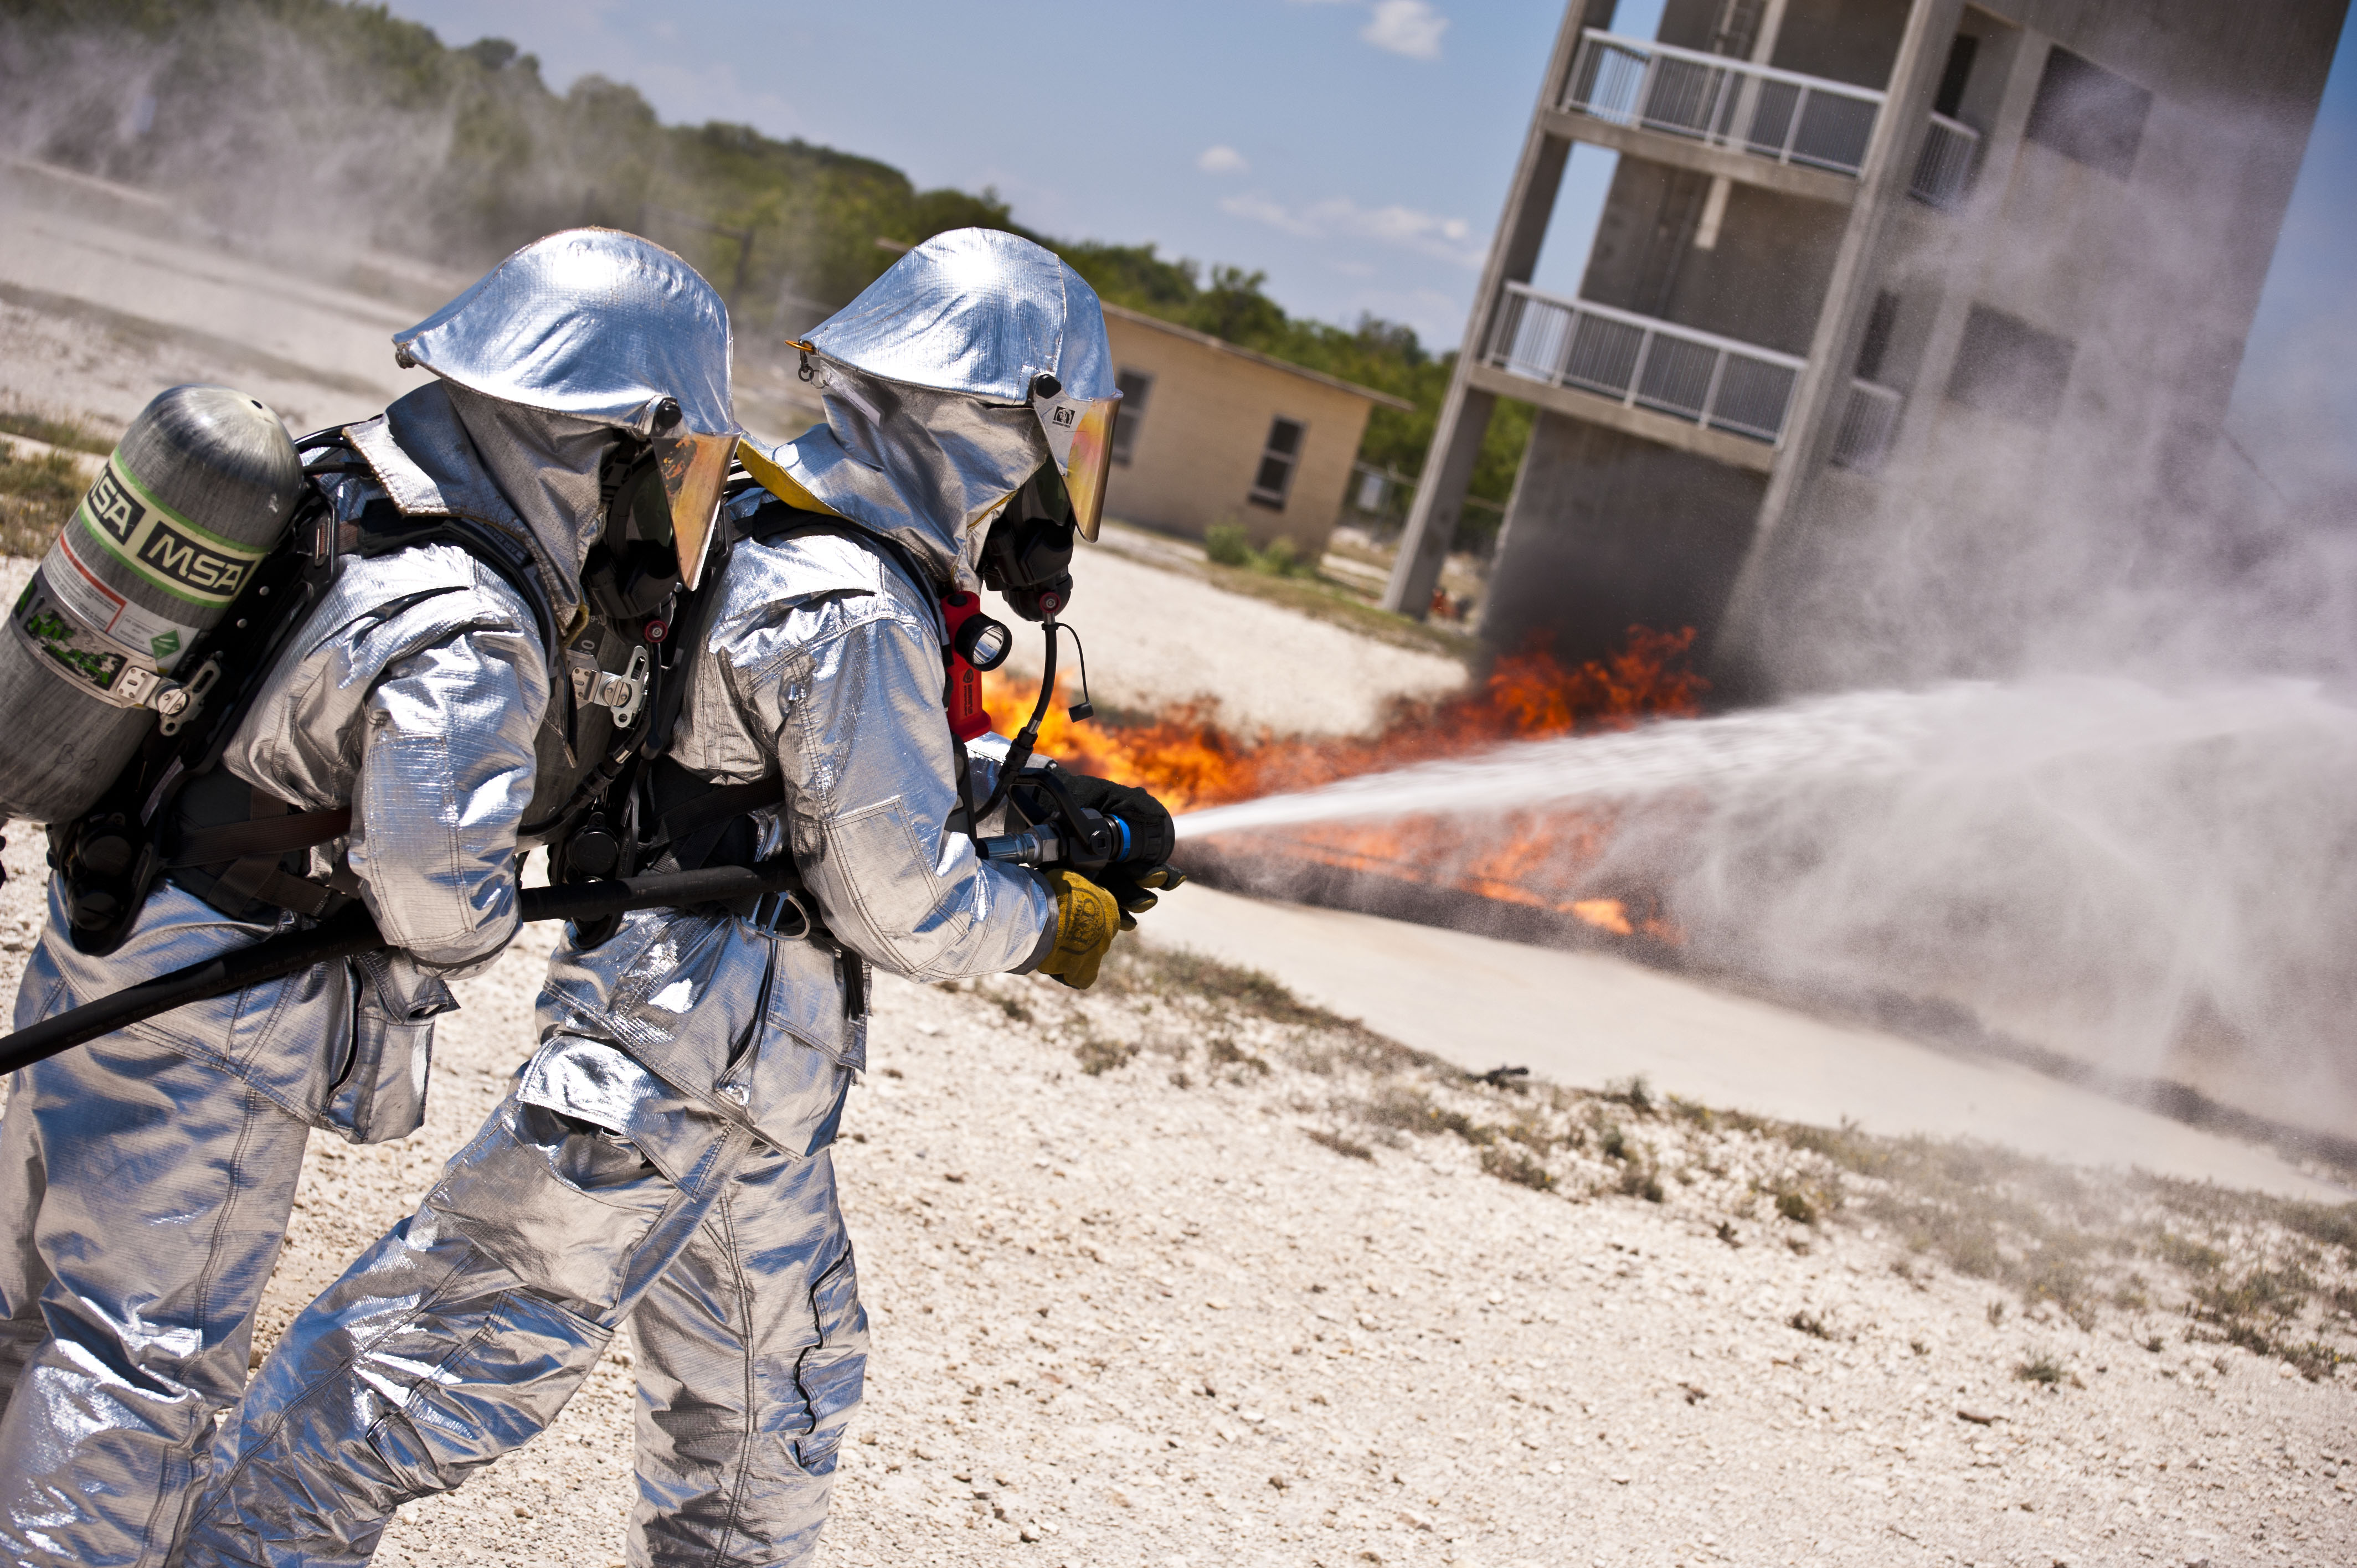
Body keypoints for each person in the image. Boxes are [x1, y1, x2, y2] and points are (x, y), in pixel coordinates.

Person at [178, 229, 1179, 1567]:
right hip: (673, 1070)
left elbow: (797, 776)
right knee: (431, 1369)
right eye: (1067, 440)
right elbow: (904, 900)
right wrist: (1056, 917)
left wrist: (1024, 794)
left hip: (749, 1086)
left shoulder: (779, 528)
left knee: (774, 1407)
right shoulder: (849, 598)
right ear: (1003, 428)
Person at [0, 228, 740, 1568]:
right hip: (225, 1004)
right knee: (136, 1360)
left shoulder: (350, 483)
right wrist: (500, 912)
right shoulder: (469, 620)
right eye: (671, 467)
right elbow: (433, 891)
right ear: (616, 445)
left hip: (110, 926)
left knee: (32, 1303)